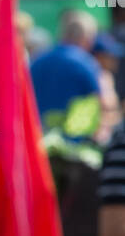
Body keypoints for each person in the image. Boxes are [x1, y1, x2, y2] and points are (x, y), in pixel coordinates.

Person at [29, 9, 104, 165]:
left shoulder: (37, 60)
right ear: (86, 38)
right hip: (74, 151)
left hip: (37, 144)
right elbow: (96, 103)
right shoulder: (87, 63)